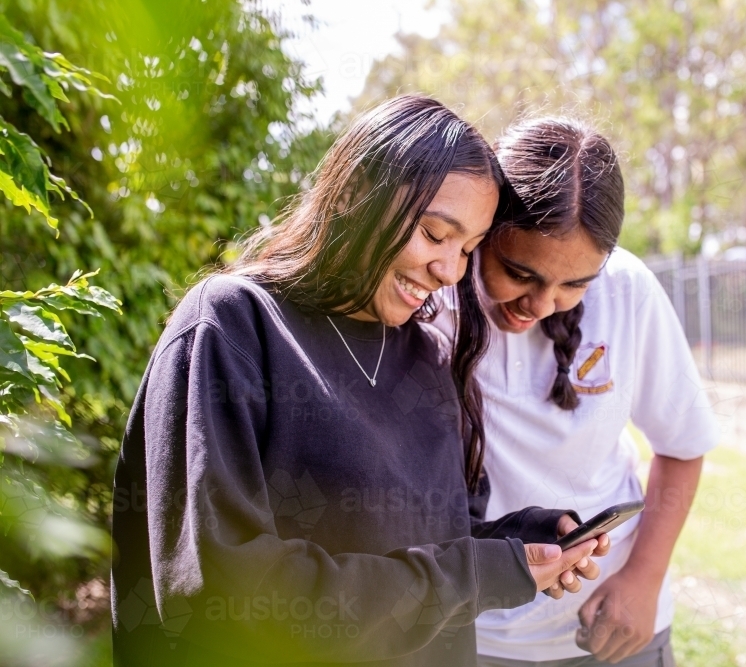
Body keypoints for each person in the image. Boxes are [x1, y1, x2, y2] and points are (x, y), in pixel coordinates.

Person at [110, 97, 606, 667]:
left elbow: (432, 538)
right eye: (433, 233)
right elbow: (222, 586)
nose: (450, 271)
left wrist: (519, 543)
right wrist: (474, 575)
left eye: (468, 248)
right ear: (353, 195)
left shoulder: (425, 356)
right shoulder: (234, 326)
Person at [446, 118, 719, 666]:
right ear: (485, 234)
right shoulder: (436, 292)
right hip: (483, 637)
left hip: (612, 625)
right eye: (519, 272)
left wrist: (643, 580)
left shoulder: (629, 289)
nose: (542, 304)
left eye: (575, 285)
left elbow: (683, 445)